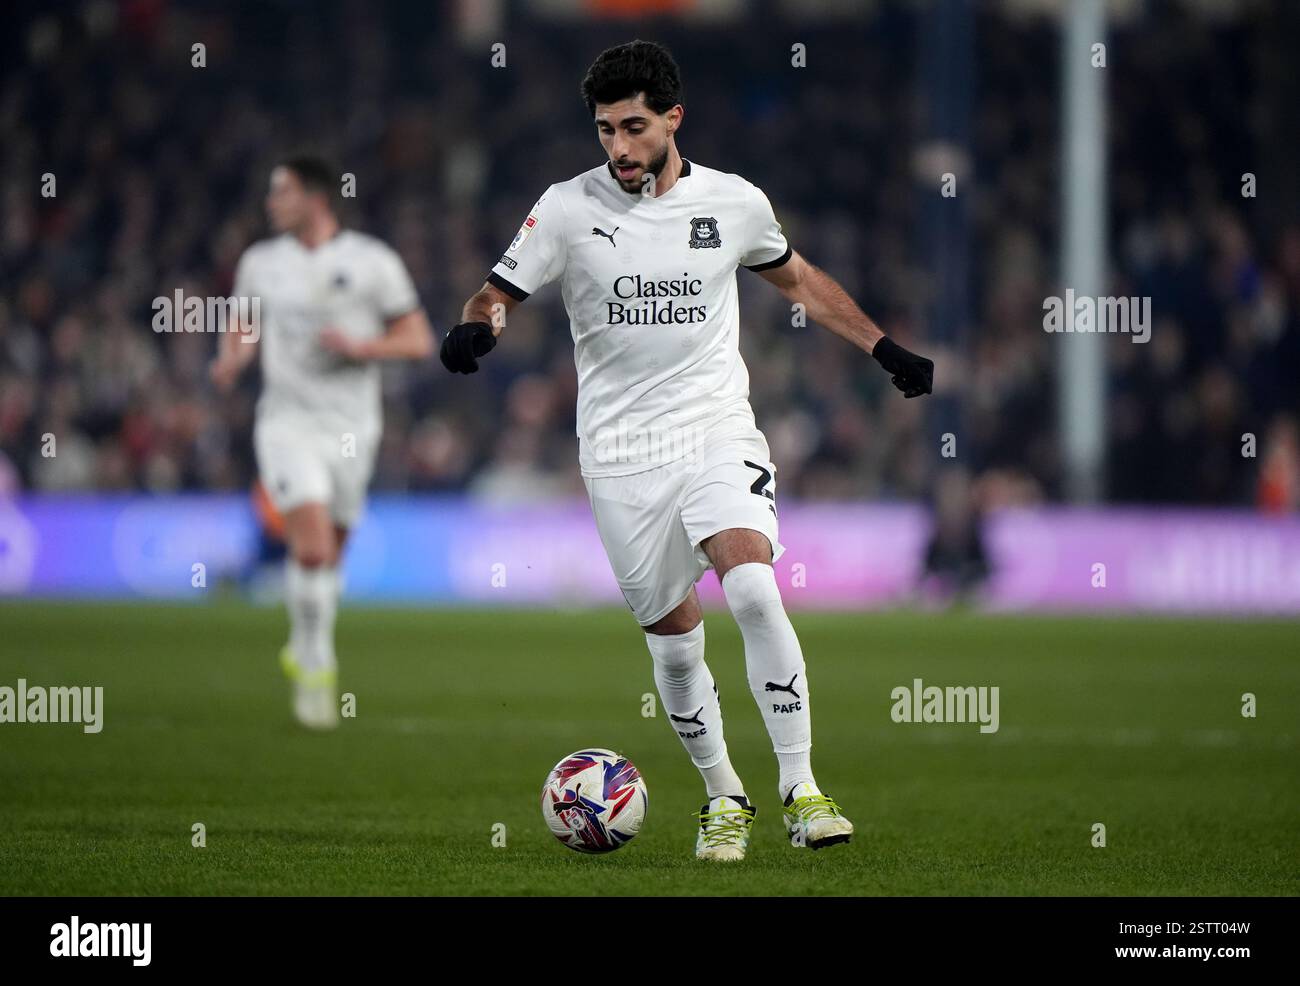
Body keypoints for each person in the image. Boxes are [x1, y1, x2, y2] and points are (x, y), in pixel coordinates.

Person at [442, 41, 932, 860]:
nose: (620, 149)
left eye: (634, 127)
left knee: (753, 589)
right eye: (604, 131)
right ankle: (723, 796)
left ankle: (802, 790)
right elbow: (499, 291)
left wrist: (883, 348)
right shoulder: (566, 207)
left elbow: (801, 280)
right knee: (675, 644)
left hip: (714, 429)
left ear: (673, 118)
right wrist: (475, 327)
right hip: (618, 458)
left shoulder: (734, 203)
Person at [211, 155, 433, 729]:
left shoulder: (372, 261)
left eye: (280, 192)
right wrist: (233, 359)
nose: (270, 203)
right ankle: (317, 659)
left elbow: (416, 338)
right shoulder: (260, 262)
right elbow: (242, 322)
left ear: (314, 197)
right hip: (286, 423)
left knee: (330, 554)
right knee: (308, 549)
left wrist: (363, 348)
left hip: (354, 430)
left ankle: (306, 641)